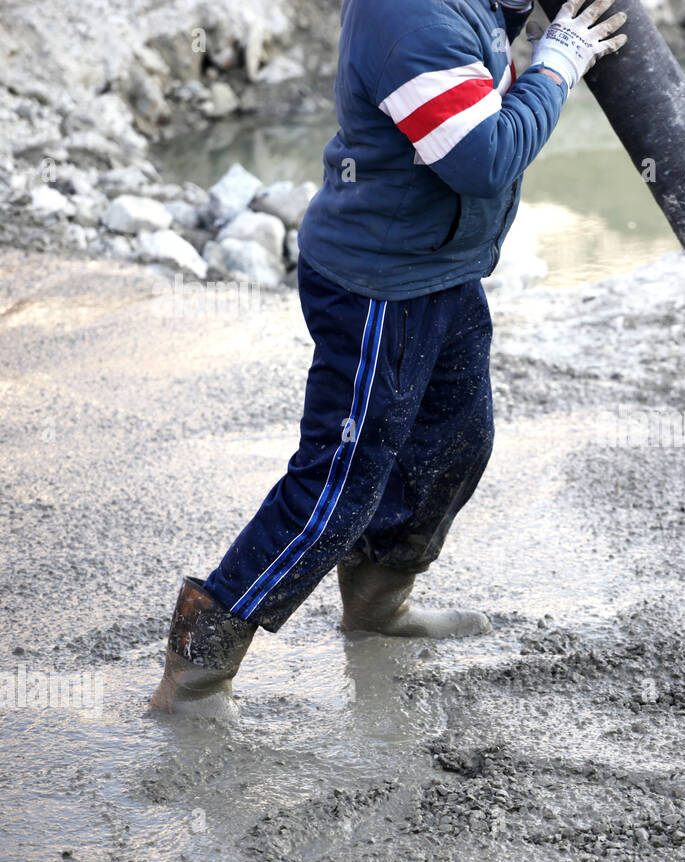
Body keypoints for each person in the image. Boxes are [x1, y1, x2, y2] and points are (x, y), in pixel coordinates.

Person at [150, 0, 628, 715]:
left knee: (457, 443)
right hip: (378, 289)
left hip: (440, 271)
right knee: (338, 487)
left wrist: (522, 19)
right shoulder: (412, 13)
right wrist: (557, 63)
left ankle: (377, 600)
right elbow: (484, 158)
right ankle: (198, 669)